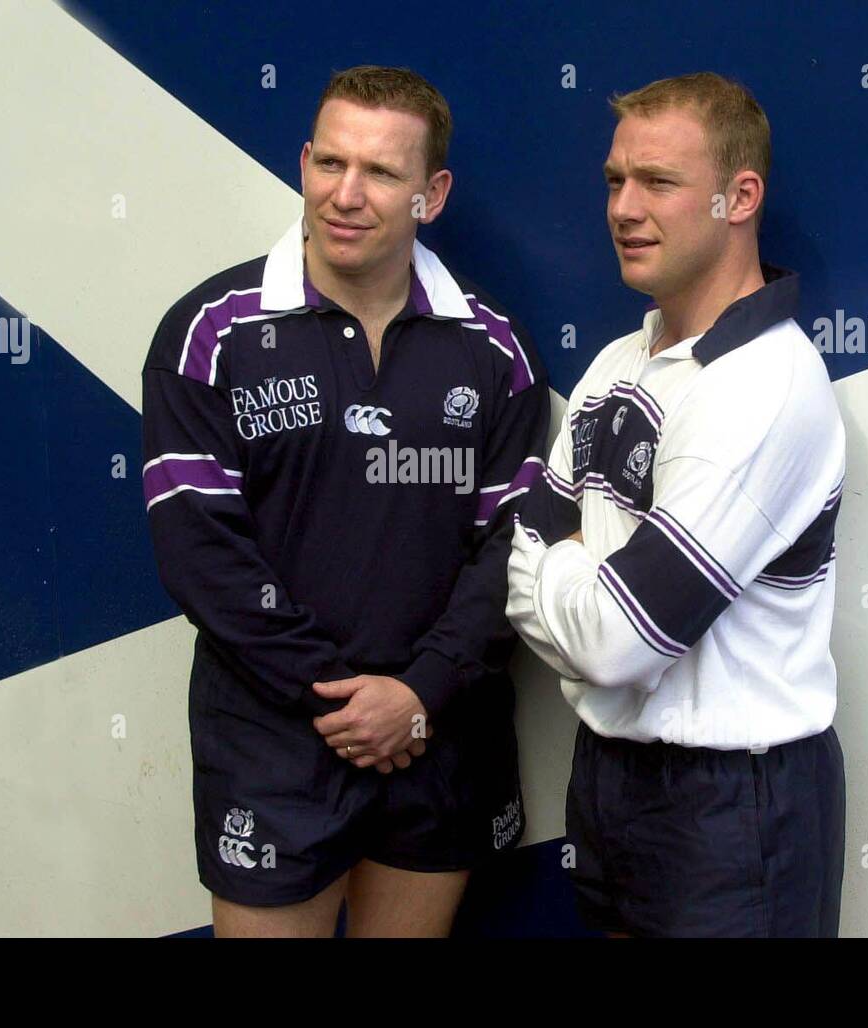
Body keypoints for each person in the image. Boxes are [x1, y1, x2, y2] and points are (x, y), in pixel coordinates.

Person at [142, 65, 550, 937]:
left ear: (431, 194)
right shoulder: (211, 333)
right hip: (273, 742)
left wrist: (417, 694)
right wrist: (340, 699)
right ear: (303, 162)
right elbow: (199, 553)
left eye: (381, 173)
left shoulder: (494, 348)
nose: (346, 195)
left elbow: (513, 547)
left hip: (438, 736)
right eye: (330, 163)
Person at [507, 72, 847, 938]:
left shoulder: (766, 384)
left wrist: (571, 561)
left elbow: (620, 643)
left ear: (740, 197)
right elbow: (520, 544)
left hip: (736, 808)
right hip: (608, 783)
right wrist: (572, 574)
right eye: (615, 180)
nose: (623, 207)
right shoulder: (621, 359)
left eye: (657, 182)